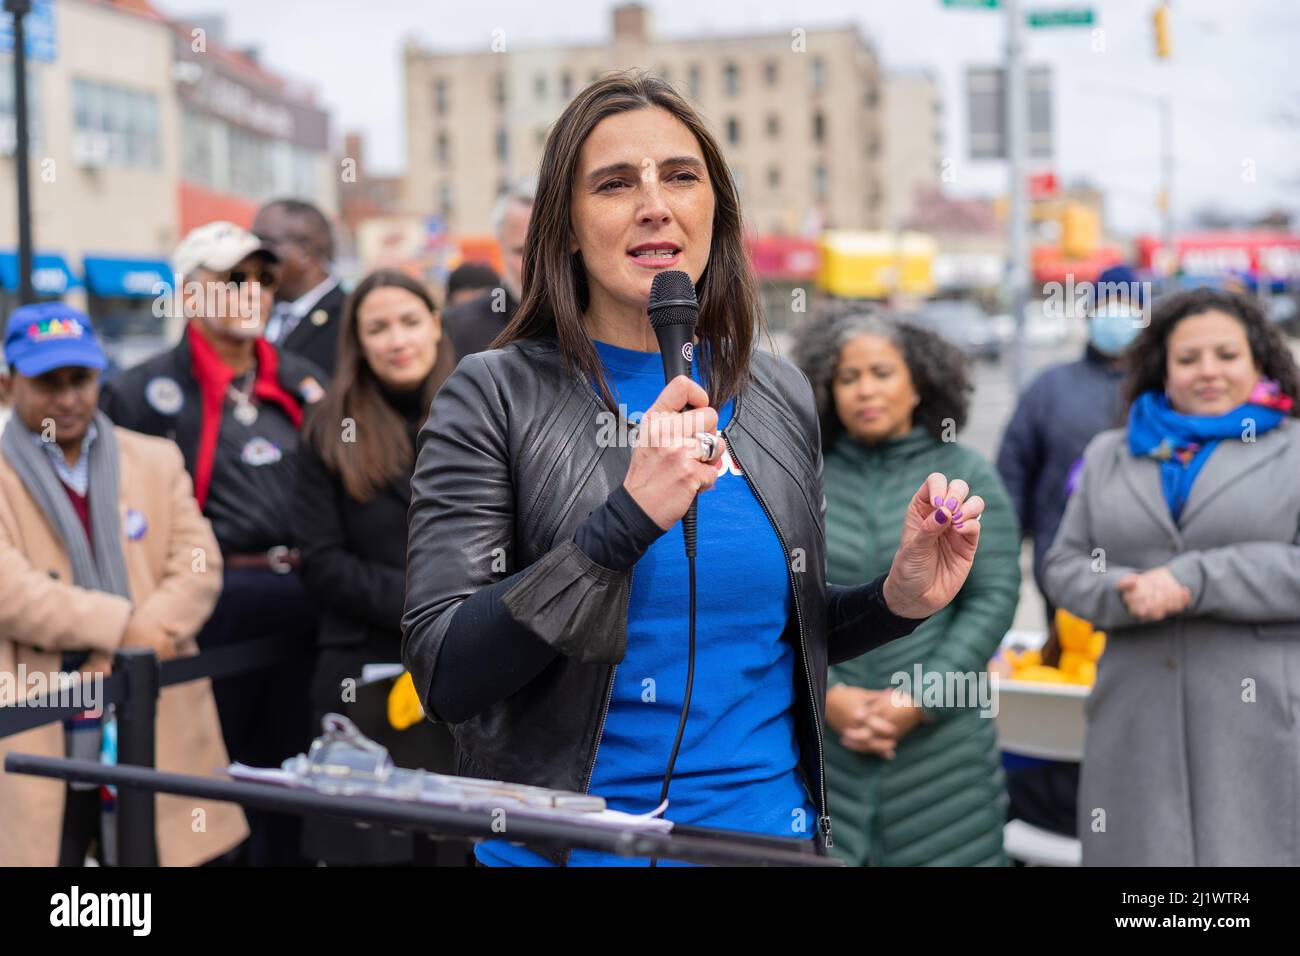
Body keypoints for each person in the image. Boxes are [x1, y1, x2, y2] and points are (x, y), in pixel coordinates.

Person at [402, 70, 988, 867]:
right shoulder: (494, 395)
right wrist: (624, 523)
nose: (656, 203)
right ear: (566, 228)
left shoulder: (774, 390)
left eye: (681, 176)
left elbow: (781, 633)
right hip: (573, 849)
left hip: (766, 841)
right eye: (614, 184)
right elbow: (446, 670)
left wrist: (897, 600)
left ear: (716, 208)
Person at [1043, 287, 1300, 865]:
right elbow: (1062, 565)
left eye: (1227, 355)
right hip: (1135, 714)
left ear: (1259, 360)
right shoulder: (1110, 453)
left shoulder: (1293, 451)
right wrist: (1121, 590)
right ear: (1164, 366)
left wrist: (1195, 579)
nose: (1208, 371)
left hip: (1261, 715)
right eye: (1188, 359)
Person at [99, 220, 326, 865]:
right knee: (204, 792)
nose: (252, 291)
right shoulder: (139, 391)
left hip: (307, 602)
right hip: (204, 612)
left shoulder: (306, 383)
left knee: (297, 783)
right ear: (190, 293)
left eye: (262, 278)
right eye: (233, 278)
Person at [0, 303, 246, 866]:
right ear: (8, 385)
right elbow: (9, 590)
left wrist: (129, 649)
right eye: (48, 383)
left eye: (80, 380)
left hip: (149, 693)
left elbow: (198, 563)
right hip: (40, 711)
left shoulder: (154, 458)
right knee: (54, 850)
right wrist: (126, 628)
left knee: (159, 851)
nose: (67, 399)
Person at [794, 309, 1020, 866]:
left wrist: (921, 698)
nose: (865, 390)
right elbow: (784, 598)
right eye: (848, 378)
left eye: (881, 372)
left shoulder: (964, 472)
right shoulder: (802, 474)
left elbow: (992, 597)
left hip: (941, 757)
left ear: (919, 384)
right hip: (830, 754)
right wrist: (830, 697)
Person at [293, 270, 463, 865]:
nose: (397, 339)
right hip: (361, 669)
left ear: (436, 325)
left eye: (410, 321)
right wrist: (431, 608)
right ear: (357, 342)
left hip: (463, 672)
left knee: (455, 843)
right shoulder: (326, 430)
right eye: (378, 327)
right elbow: (321, 562)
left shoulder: (481, 414)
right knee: (366, 847)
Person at [993, 262, 1142, 836]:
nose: (1116, 318)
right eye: (1107, 305)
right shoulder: (1050, 391)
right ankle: (1070, 817)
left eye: (1128, 306)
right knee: (1074, 702)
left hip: (1150, 588)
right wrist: (1005, 564)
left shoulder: (1161, 391)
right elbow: (1011, 483)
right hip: (1069, 593)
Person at [440, 179, 532, 360]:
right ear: (501, 247)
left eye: (547, 249)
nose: (536, 264)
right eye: (521, 251)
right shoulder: (458, 327)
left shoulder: (597, 319)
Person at [254, 199, 346, 377]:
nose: (253, 253)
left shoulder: (349, 319)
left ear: (305, 251)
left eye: (263, 242)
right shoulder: (257, 312)